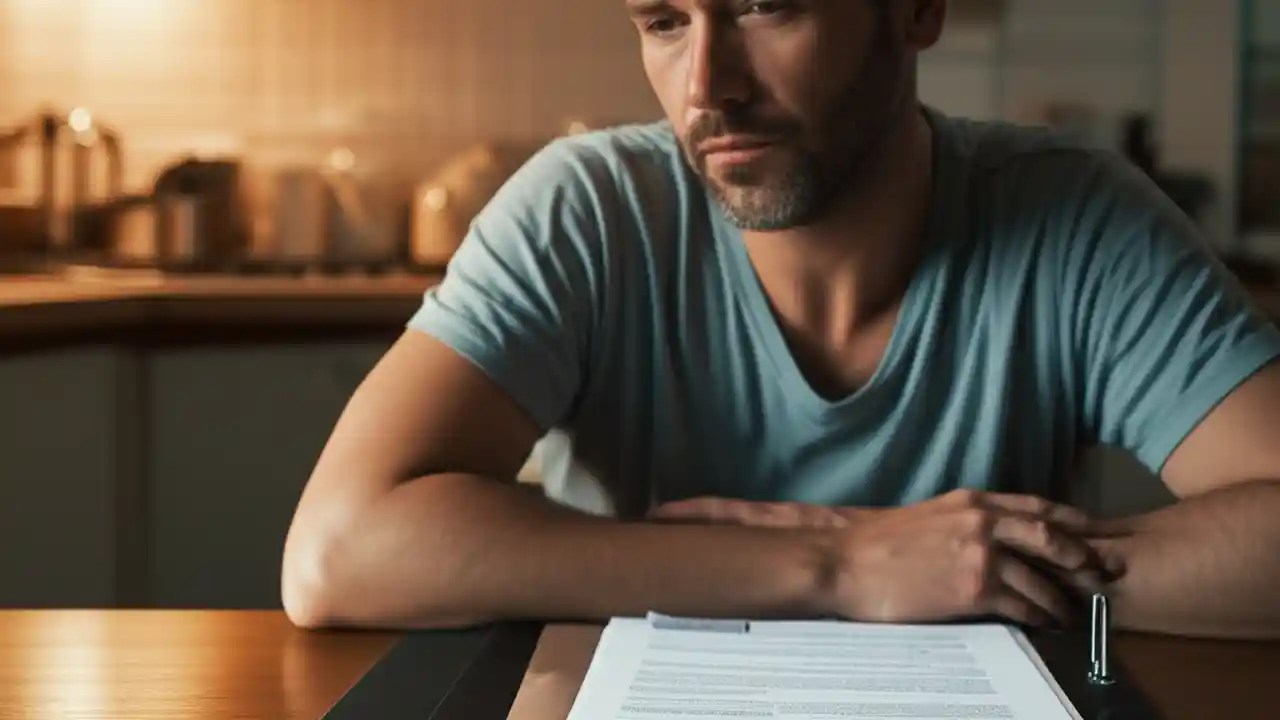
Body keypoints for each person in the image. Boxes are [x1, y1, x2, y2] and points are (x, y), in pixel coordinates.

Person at [281, 0, 1280, 639]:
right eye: (663, 21)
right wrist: (845, 564)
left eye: (765, 6)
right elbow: (336, 551)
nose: (706, 83)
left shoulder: (1074, 219)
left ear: (915, 11)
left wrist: (982, 570)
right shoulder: (584, 211)